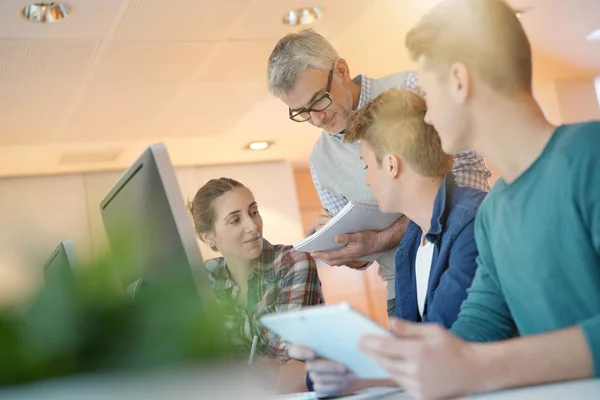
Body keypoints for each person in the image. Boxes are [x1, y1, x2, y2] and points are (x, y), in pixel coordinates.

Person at [352, 0, 600, 398]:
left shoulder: (590, 155)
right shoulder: (495, 210)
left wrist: (479, 367)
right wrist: (378, 371)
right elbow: (478, 329)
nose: (428, 118)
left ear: (459, 81)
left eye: (430, 95)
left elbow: (476, 360)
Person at [267, 28, 491, 316]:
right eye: (301, 112)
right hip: (401, 285)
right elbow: (364, 257)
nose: (317, 118)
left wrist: (382, 238)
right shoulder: (320, 161)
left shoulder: (412, 89)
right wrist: (347, 250)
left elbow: (469, 171)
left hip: (459, 253)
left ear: (341, 71)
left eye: (318, 100)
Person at [290, 88, 488, 395]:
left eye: (367, 166)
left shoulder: (474, 221)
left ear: (392, 165)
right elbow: (407, 339)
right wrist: (338, 360)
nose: (367, 180)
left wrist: (359, 369)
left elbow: (443, 336)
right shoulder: (410, 243)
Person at [188, 177, 324, 392]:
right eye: (235, 220)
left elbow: (286, 361)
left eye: (253, 212)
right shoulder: (206, 278)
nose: (253, 226)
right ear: (209, 237)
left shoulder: (293, 262)